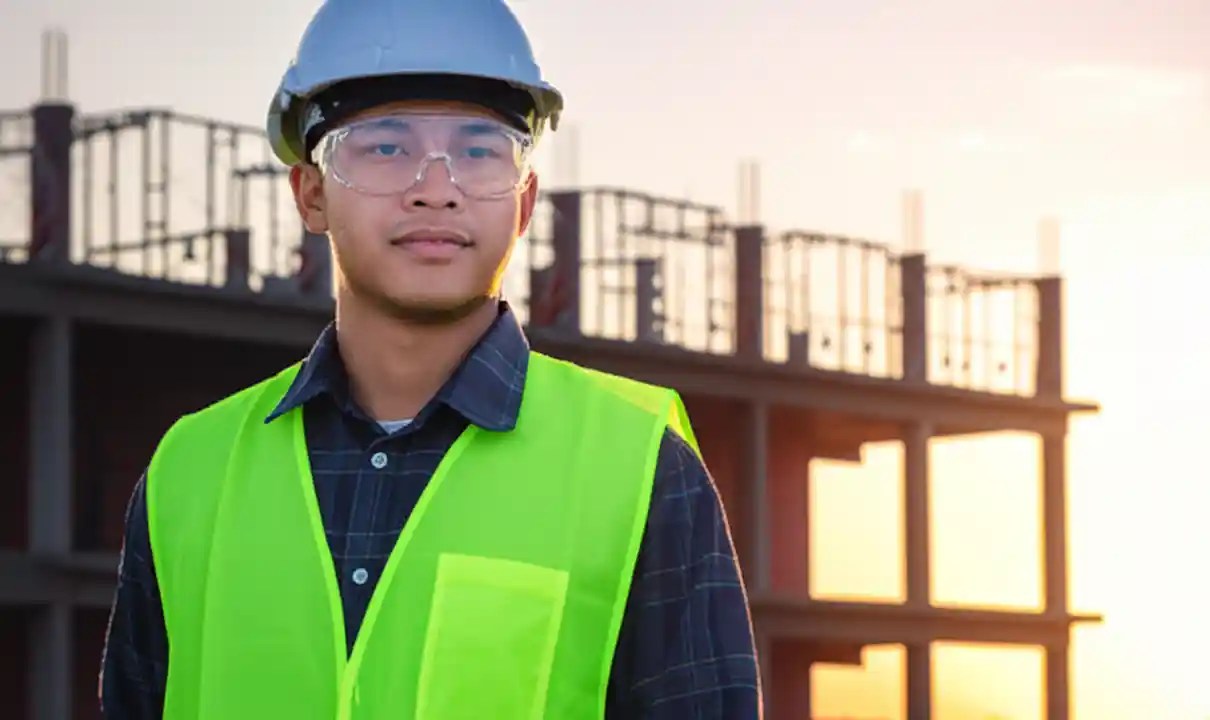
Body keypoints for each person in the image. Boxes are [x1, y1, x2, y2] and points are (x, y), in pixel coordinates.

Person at [98, 0, 761, 717]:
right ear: (311, 193)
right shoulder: (191, 472)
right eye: (385, 147)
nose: (436, 189)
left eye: (480, 150)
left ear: (525, 201)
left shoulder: (641, 470)